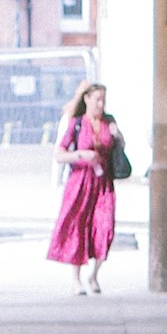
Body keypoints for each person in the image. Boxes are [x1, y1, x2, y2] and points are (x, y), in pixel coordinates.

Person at [47, 76, 119, 295]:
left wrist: (119, 137)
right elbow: (59, 154)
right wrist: (81, 155)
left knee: (104, 226)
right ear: (87, 99)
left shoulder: (109, 122)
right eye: (97, 99)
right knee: (78, 227)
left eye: (103, 100)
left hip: (103, 184)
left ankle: (94, 275)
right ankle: (76, 279)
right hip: (80, 182)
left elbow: (117, 149)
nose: (101, 104)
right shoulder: (77, 123)